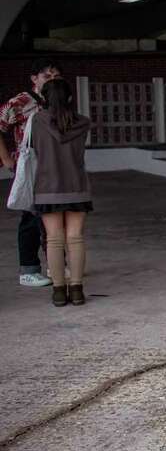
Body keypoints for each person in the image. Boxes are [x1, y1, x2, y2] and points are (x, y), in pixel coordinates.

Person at [29, 79, 93, 307]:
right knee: (75, 238)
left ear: (45, 99)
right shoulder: (83, 122)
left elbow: (34, 150)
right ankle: (76, 289)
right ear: (69, 97)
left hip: (47, 187)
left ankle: (58, 291)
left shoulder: (37, 121)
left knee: (54, 240)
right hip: (77, 187)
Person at [0, 57, 62, 288]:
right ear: (34, 78)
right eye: (47, 76)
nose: (52, 80)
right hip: (29, 165)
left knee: (54, 213)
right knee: (31, 215)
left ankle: (55, 263)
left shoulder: (59, 100)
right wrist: (7, 159)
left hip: (54, 166)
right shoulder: (21, 102)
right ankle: (29, 268)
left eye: (56, 76)